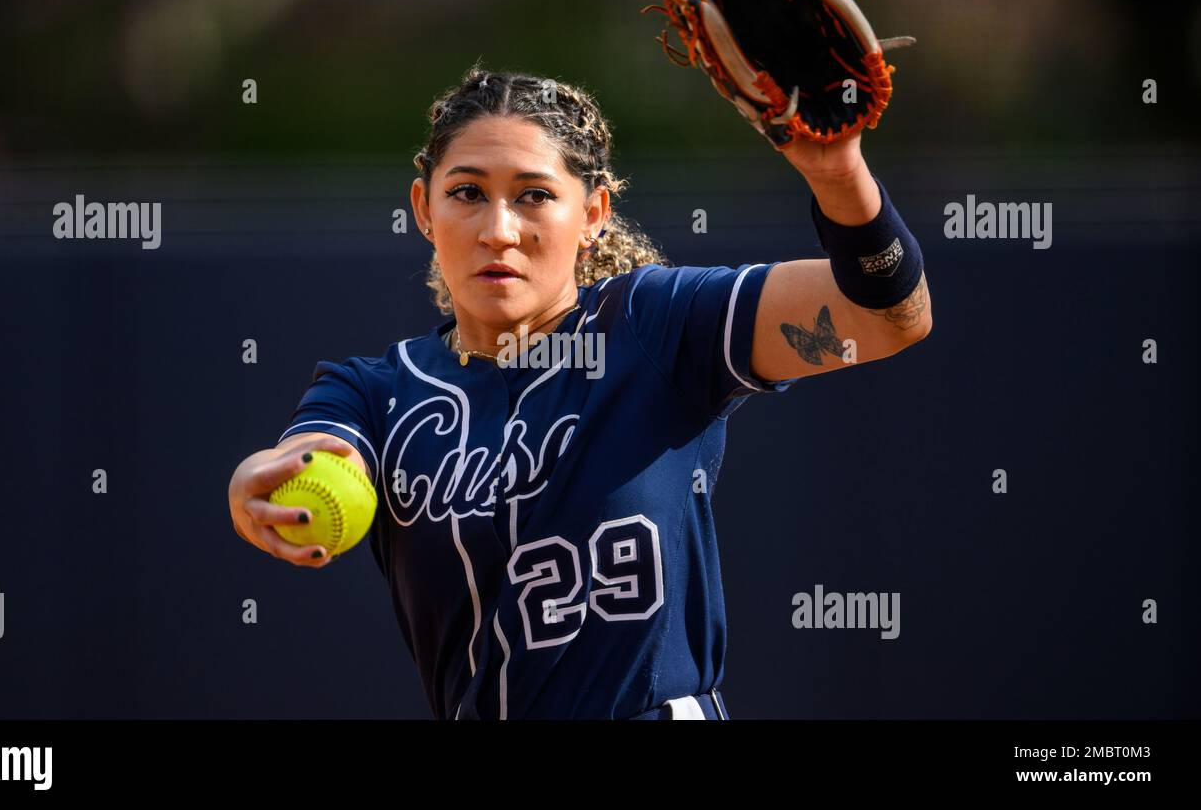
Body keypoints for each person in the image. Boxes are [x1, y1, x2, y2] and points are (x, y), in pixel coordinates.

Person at [227, 66, 932, 720]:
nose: (498, 229)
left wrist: (839, 171)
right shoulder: (374, 391)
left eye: (534, 194)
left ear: (593, 213)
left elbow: (885, 318)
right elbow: (316, 453)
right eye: (467, 192)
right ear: (423, 207)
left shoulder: (656, 326)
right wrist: (253, 485)